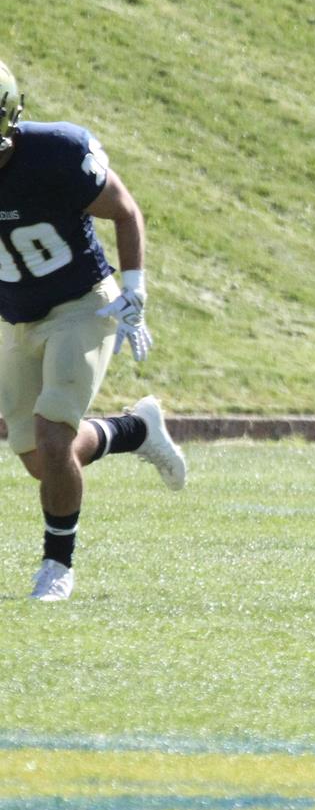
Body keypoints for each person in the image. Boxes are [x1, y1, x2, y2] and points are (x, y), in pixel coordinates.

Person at [0, 62, 185, 603]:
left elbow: (126, 211)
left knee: (56, 436)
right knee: (41, 458)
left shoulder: (56, 151)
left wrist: (135, 293)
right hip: (16, 316)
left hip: (83, 305)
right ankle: (135, 430)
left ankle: (57, 567)